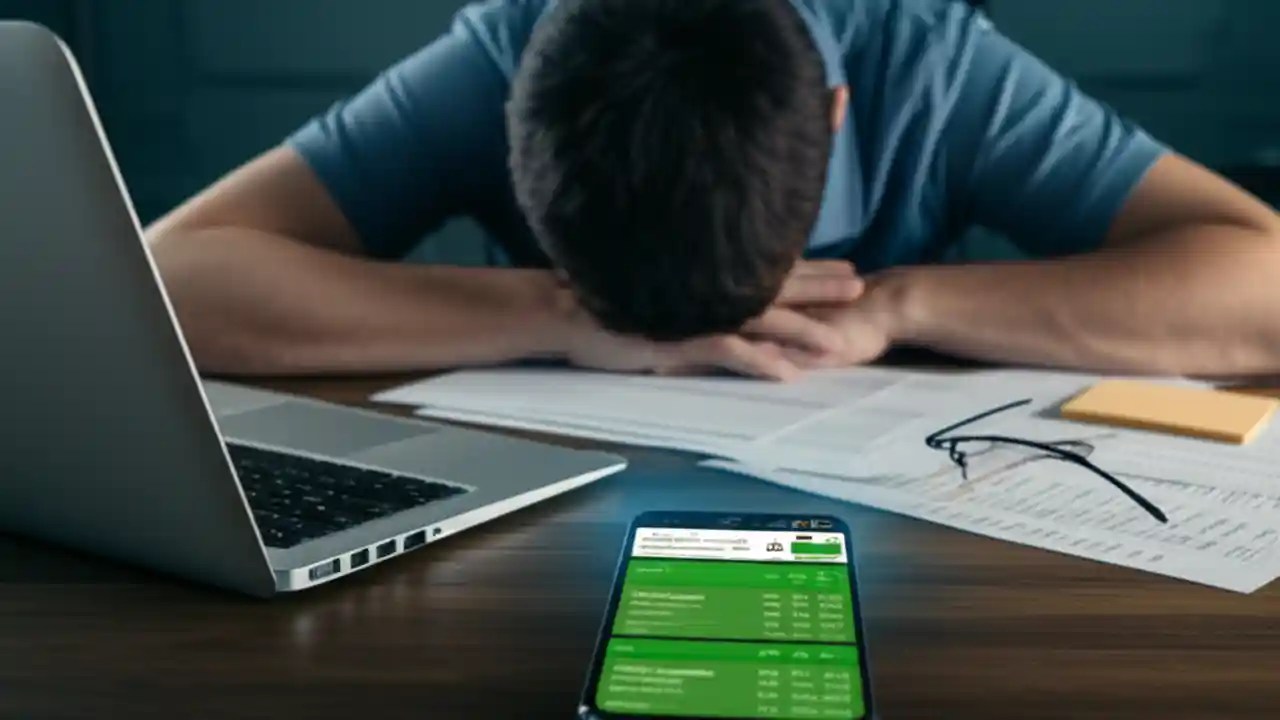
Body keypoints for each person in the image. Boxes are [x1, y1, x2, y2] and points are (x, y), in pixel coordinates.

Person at [147, 0, 1280, 382]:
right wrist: (553, 318)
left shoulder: (923, 59)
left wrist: (897, 307)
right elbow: (163, 279)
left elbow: (1264, 280)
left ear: (837, 115)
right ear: (507, 125)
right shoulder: (508, 52)